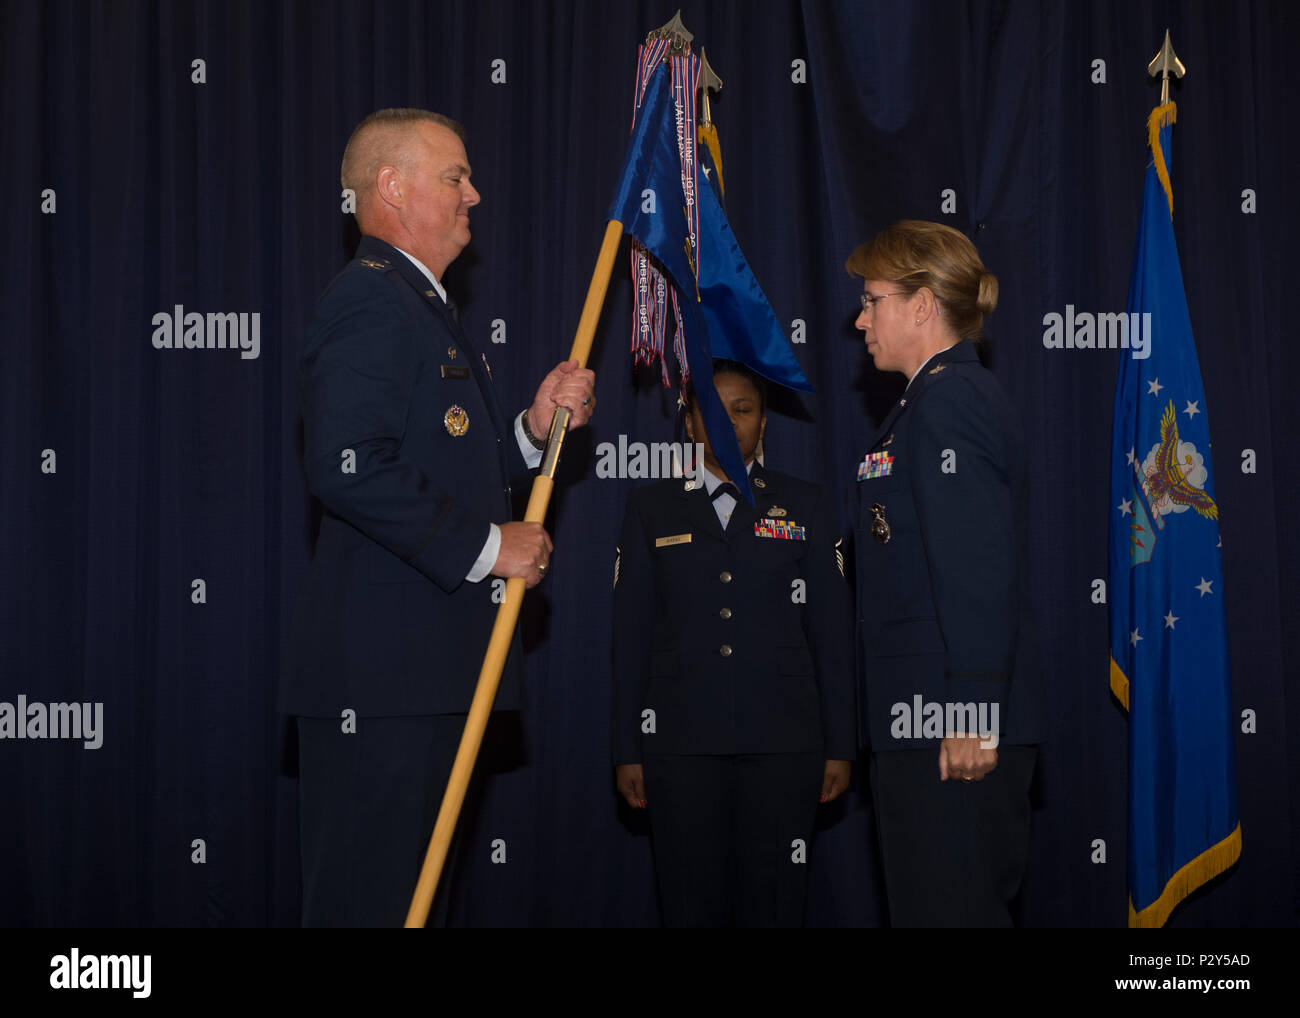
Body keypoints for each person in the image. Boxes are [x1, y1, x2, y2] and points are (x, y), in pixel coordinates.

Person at [282, 108, 595, 926]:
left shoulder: (420, 306)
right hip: (382, 689)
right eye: (455, 176)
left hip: (425, 682)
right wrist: (492, 547)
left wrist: (532, 430)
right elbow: (346, 466)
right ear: (392, 187)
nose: (476, 194)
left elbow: (441, 464)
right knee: (370, 909)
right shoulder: (370, 301)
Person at [848, 220, 1045, 927]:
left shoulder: (951, 402)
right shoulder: (928, 404)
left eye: (873, 300)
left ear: (923, 306)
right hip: (922, 722)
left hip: (946, 727)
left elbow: (976, 570)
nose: (859, 318)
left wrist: (970, 710)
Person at [611, 360, 855, 927]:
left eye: (743, 410)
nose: (730, 423)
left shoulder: (807, 505)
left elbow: (833, 634)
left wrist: (840, 744)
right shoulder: (650, 508)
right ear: (690, 424)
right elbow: (630, 635)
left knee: (775, 903)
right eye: (713, 412)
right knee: (688, 902)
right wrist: (627, 748)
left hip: (785, 745)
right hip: (678, 743)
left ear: (764, 422)